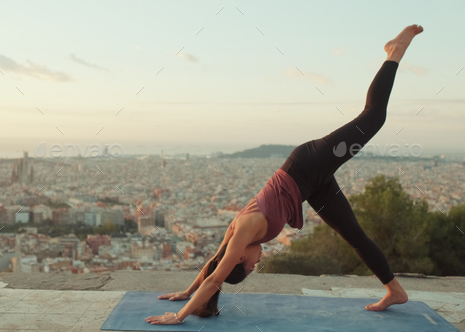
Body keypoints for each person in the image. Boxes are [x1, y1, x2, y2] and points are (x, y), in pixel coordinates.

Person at [145, 24, 424, 325]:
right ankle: (395, 290)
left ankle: (394, 52)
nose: (257, 263)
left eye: (251, 267)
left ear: (241, 258)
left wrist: (179, 316)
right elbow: (213, 266)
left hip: (308, 164)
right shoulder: (235, 239)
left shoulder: (245, 231)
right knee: (353, 234)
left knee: (373, 116)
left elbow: (215, 280)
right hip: (311, 186)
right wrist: (188, 291)